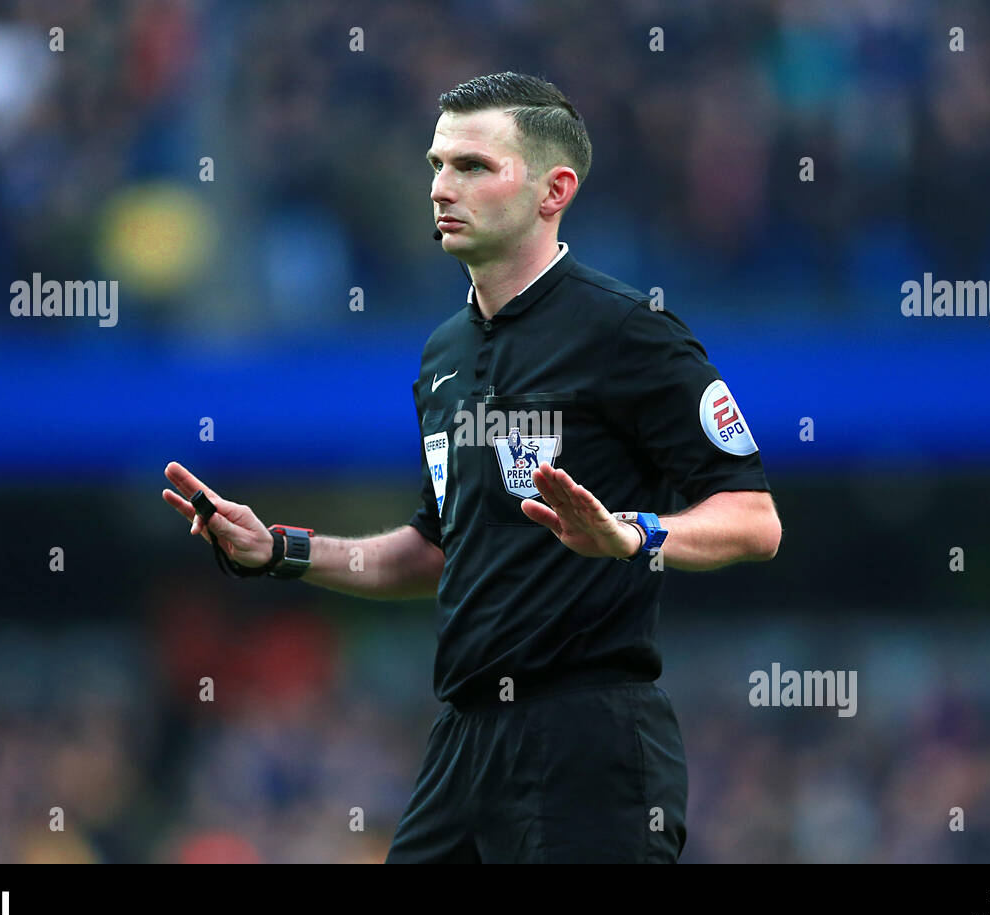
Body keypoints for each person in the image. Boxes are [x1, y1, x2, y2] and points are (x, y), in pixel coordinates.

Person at [162, 71, 781, 863]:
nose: (440, 187)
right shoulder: (443, 355)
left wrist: (634, 535)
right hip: (462, 742)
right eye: (436, 165)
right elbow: (437, 549)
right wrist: (281, 550)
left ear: (554, 190)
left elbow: (754, 519)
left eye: (473, 166)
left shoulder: (631, 332)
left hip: (588, 739)